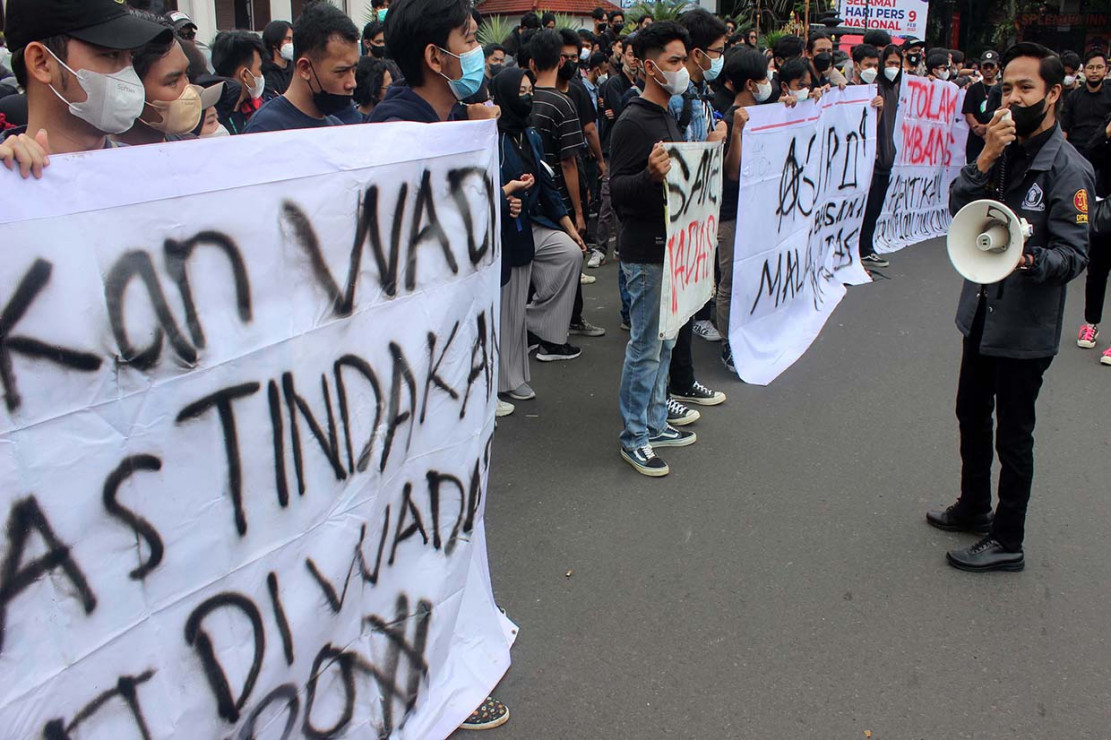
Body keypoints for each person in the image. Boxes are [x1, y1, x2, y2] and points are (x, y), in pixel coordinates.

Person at [929, 42, 1093, 572]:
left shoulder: (1069, 169)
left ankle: (1008, 539)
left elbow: (1074, 254)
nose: (1013, 98)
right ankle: (974, 506)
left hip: (1024, 326)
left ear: (1053, 93)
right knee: (970, 413)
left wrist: (1027, 259)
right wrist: (983, 158)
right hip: (980, 310)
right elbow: (959, 208)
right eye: (1006, 88)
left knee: (1013, 432)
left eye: (1026, 88)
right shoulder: (998, 151)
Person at [611, 21, 699, 477]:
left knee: (663, 342)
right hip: (646, 253)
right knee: (645, 346)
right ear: (650, 66)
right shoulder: (631, 120)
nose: (683, 69)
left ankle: (654, 421)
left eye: (684, 60)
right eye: (674, 61)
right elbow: (619, 192)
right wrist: (649, 176)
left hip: (672, 249)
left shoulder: (667, 113)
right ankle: (635, 437)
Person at [492, 68, 588, 404]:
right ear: (504, 94)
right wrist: (506, 196)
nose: (528, 96)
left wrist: (571, 227)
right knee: (508, 304)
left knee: (569, 253)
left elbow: (548, 187)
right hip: (505, 227)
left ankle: (538, 327)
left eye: (530, 89)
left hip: (532, 222)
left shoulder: (529, 135)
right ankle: (504, 380)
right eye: (521, 90)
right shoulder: (491, 138)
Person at [1, 0, 173, 177]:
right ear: (41, 63)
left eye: (131, 56)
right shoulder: (6, 181)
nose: (127, 74)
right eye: (111, 55)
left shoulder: (149, 172)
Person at [664, 9, 728, 421]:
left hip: (696, 218)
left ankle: (683, 380)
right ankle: (666, 389)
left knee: (688, 305)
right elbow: (677, 156)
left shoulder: (703, 96)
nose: (722, 59)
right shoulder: (675, 100)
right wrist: (709, 142)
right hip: (676, 220)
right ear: (699, 53)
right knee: (669, 314)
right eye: (718, 52)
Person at [525, 29, 594, 358]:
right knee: (569, 257)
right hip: (556, 201)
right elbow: (569, 162)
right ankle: (548, 331)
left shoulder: (521, 98)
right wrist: (578, 211)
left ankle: (538, 332)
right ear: (561, 60)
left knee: (532, 271)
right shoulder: (563, 103)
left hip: (526, 200)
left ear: (532, 63)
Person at [717, 47, 772, 373]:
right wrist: (737, 132)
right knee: (731, 280)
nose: (770, 84)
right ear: (751, 83)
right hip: (732, 213)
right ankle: (728, 343)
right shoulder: (729, 119)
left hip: (758, 211)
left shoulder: (767, 113)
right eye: (765, 77)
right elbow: (732, 172)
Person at [370, 0, 499, 125]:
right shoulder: (399, 134)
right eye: (470, 40)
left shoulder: (455, 116)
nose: (478, 48)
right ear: (434, 58)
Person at [243, 1, 358, 133]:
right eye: (341, 72)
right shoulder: (265, 129)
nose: (352, 83)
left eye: (354, 70)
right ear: (305, 68)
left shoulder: (336, 127)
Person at [115, 12, 203, 146]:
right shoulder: (101, 160)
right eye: (172, 82)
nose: (188, 89)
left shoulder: (189, 147)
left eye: (186, 75)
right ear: (130, 88)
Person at [856, 44, 902, 270]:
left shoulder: (896, 88)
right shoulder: (874, 88)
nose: (892, 68)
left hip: (886, 156)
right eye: (889, 63)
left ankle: (866, 246)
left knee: (875, 207)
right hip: (871, 159)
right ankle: (863, 249)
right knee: (867, 206)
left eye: (897, 64)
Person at [1061, 48, 1111, 162]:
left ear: (1106, 70)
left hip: (1105, 152)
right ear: (1083, 70)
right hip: (1076, 153)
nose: (1094, 71)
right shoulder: (1073, 96)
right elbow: (1065, 127)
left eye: (1099, 67)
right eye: (1090, 67)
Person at [212, 30, 266, 134]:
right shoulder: (213, 119)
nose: (261, 75)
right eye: (259, 69)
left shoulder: (254, 109)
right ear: (245, 75)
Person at [963, 49, 1001, 164]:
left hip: (996, 137)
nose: (988, 70)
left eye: (991, 66)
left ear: (997, 67)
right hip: (976, 139)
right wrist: (977, 128)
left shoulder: (1002, 89)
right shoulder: (973, 89)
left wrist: (988, 128)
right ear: (980, 69)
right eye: (985, 67)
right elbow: (968, 113)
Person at [261, 20, 294, 98]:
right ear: (274, 43)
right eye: (288, 39)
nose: (291, 43)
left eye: (293, 39)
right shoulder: (265, 73)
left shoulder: (296, 69)